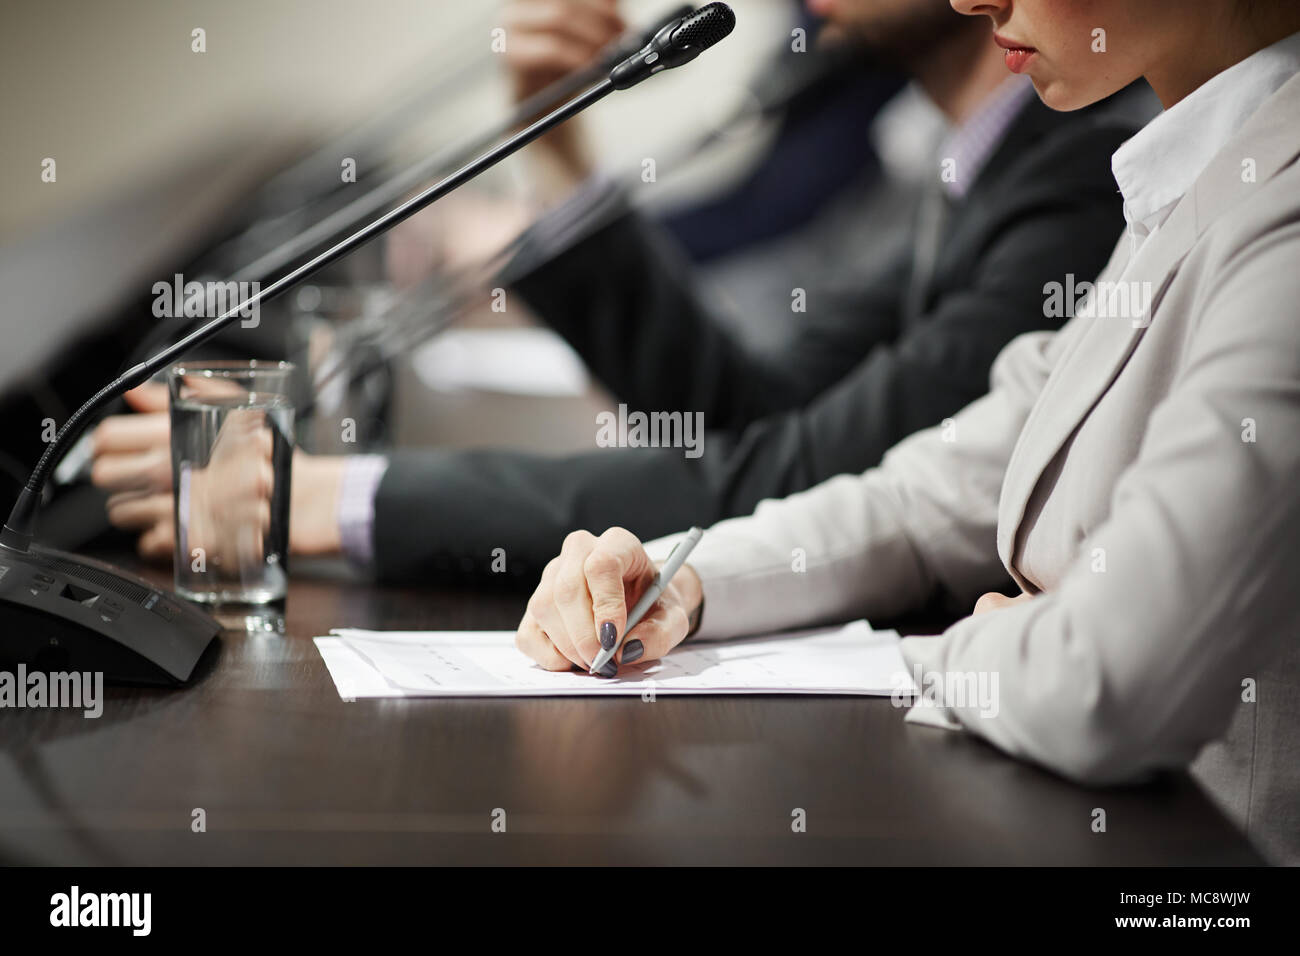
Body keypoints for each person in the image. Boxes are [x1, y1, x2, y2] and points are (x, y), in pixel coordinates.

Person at [513, 0, 1300, 865]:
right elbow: (938, 491)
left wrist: (967, 645)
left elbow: (1110, 684)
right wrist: (682, 580)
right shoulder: (1191, 172)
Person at [90, 0, 1145, 585]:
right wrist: (554, 145)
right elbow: (753, 405)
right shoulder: (978, 165)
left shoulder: (1077, 183)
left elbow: (791, 472)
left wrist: (329, 495)